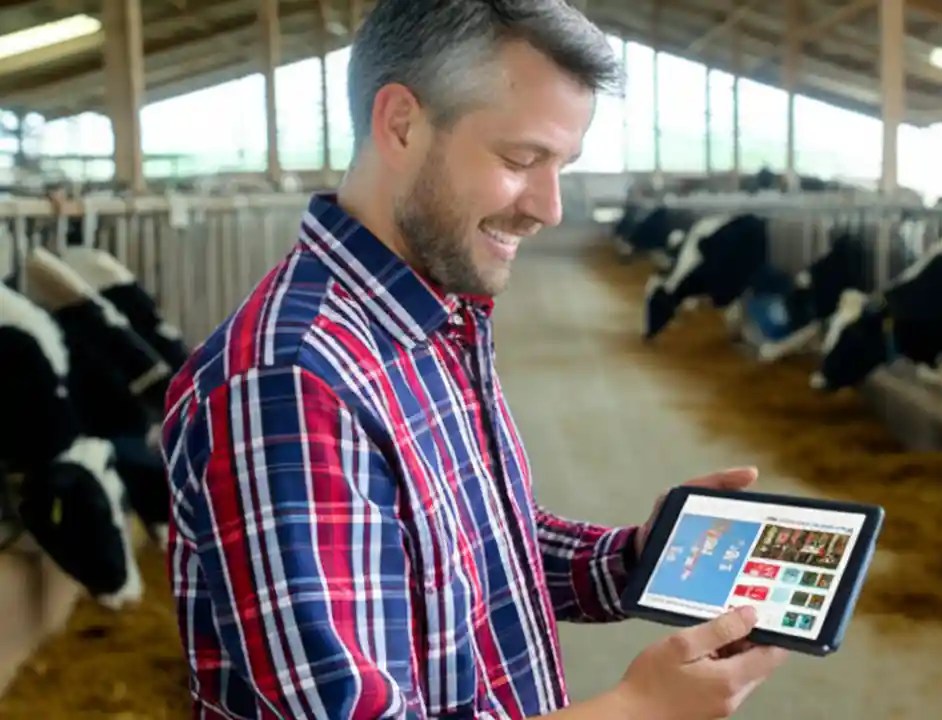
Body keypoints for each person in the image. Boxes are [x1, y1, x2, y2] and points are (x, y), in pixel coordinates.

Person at [159, 1, 789, 718]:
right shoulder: (289, 383)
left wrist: (636, 559)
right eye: (522, 160)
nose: (550, 208)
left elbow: (463, 558)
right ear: (400, 123)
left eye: (564, 165)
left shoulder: (435, 315)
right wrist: (637, 708)